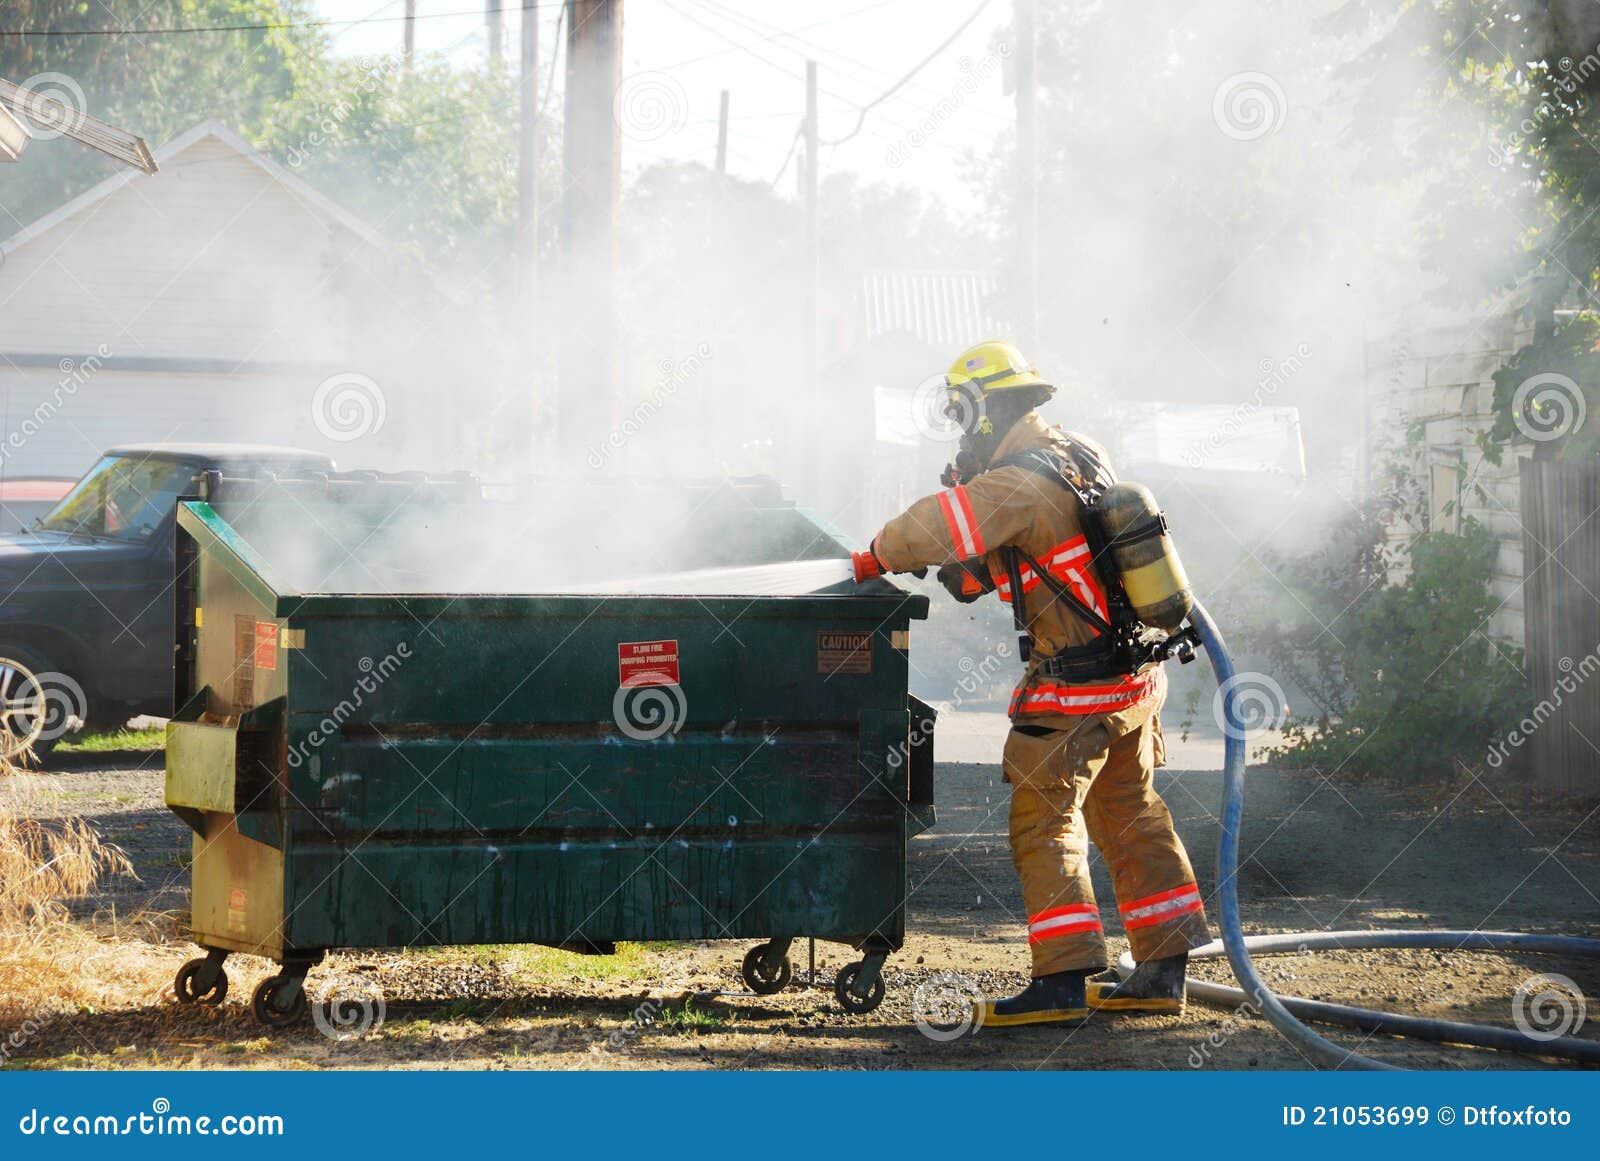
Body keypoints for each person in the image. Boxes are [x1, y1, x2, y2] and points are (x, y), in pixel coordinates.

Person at [850, 340, 1209, 1028]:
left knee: (1043, 823)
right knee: (1131, 814)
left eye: (964, 417)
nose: (962, 432)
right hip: (1132, 680)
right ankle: (1163, 972)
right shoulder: (1078, 452)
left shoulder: (1013, 483)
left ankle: (1062, 979)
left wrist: (874, 557)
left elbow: (933, 526)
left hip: (1077, 692)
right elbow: (1046, 551)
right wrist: (970, 566)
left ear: (987, 411)